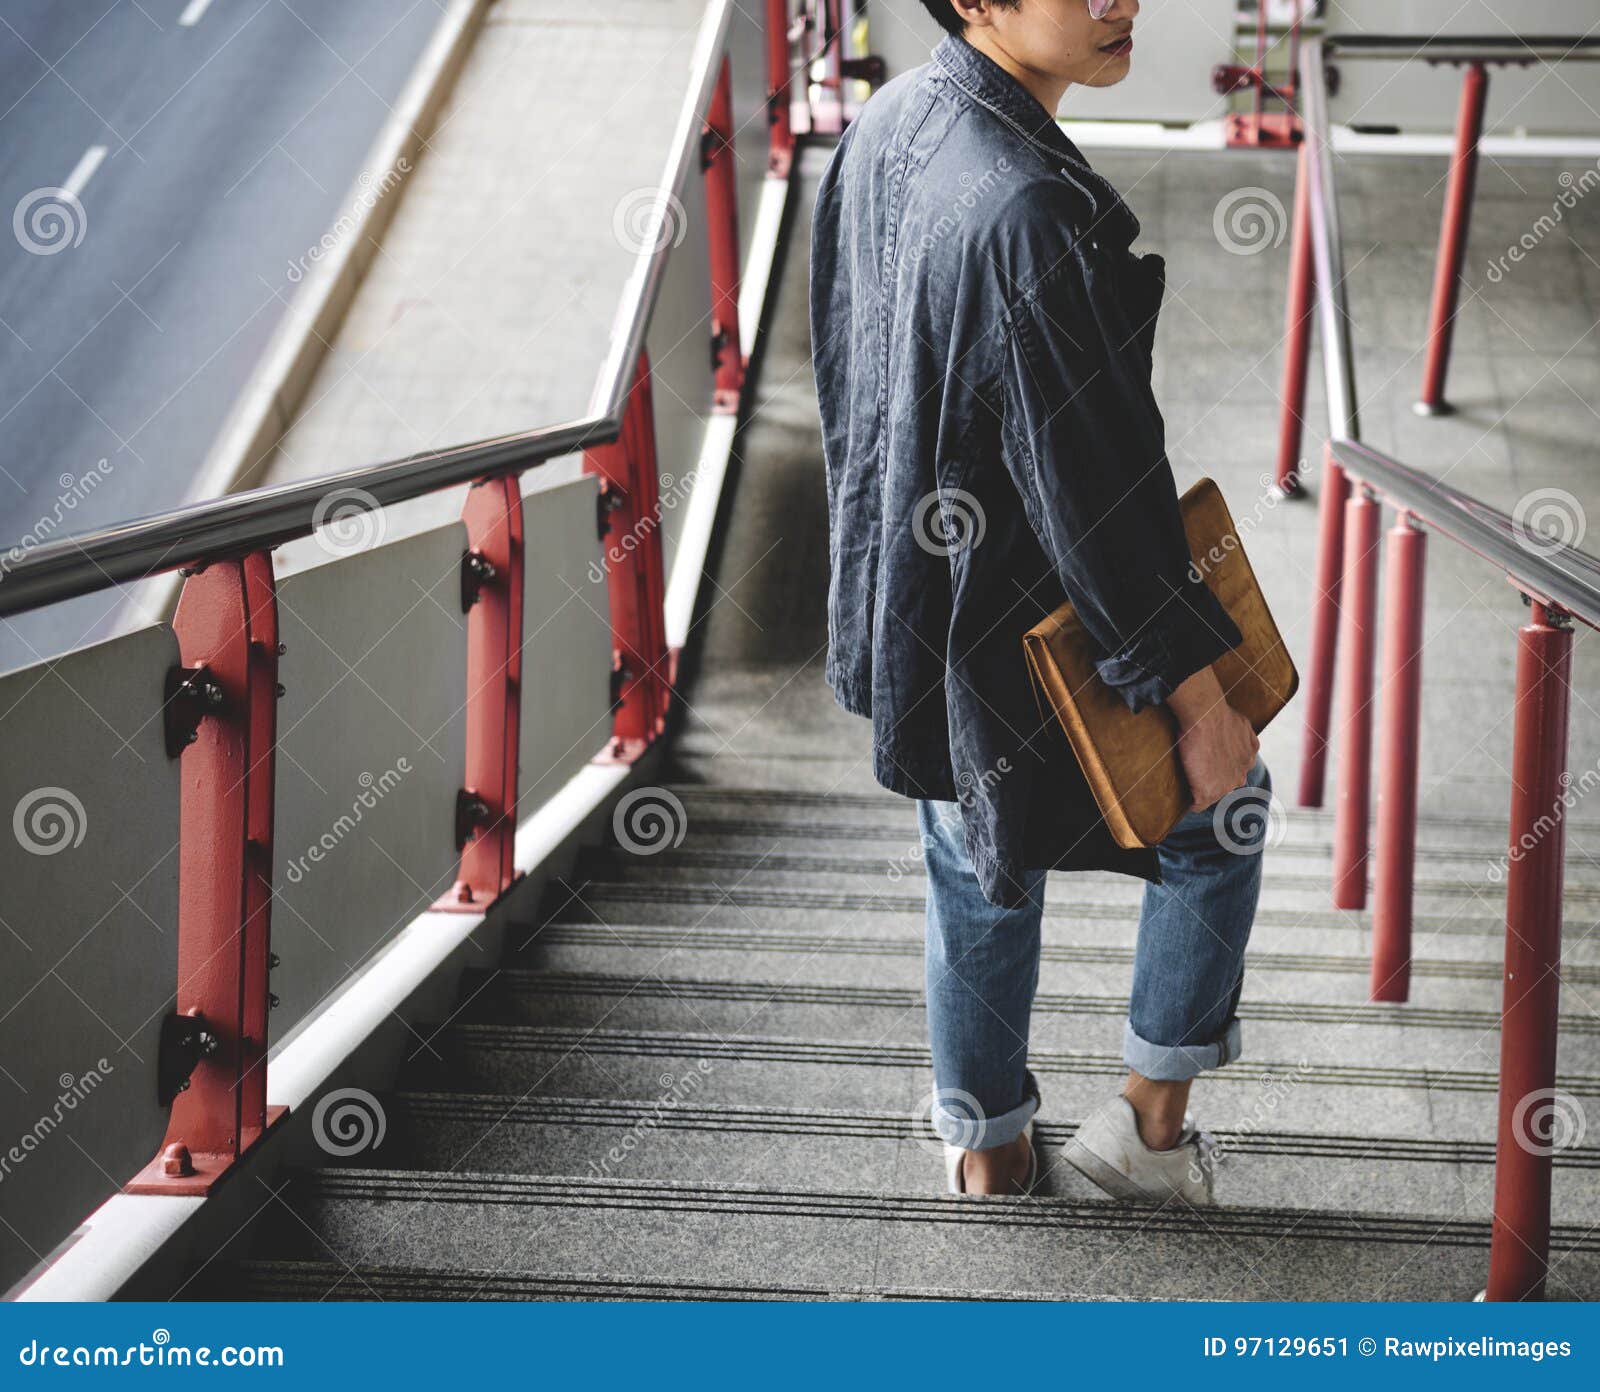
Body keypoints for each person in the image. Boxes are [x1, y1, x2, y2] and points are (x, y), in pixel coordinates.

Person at [809, 0, 1272, 1203]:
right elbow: (1100, 497)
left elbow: (845, 362)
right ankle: (1145, 1140)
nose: (1119, 2)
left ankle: (986, 1148)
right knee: (1226, 812)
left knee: (970, 853)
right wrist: (1192, 694)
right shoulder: (1031, 213)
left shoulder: (889, 119)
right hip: (1021, 622)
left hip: (917, 603)